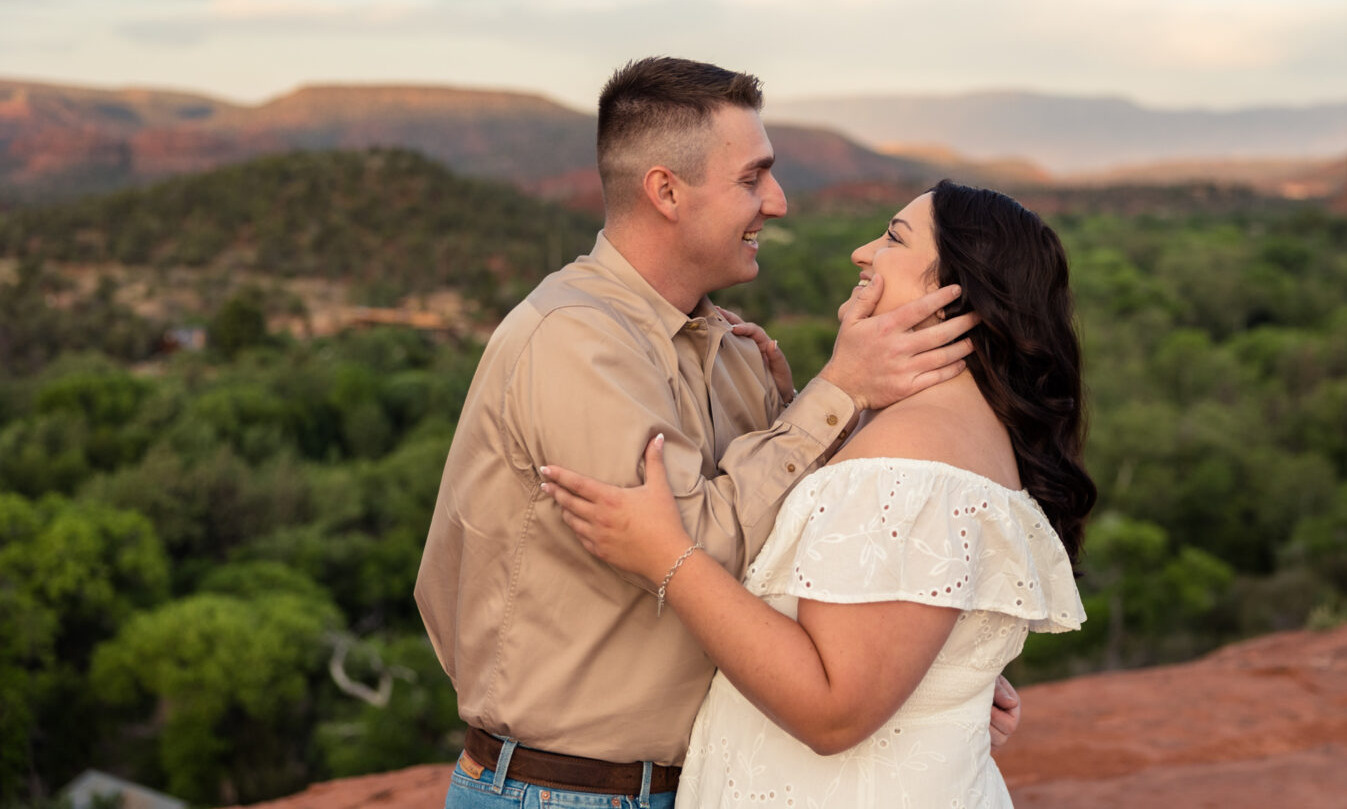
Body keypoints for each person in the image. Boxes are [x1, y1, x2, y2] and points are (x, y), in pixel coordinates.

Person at [414, 58, 1015, 809]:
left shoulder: (733, 352)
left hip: (704, 782)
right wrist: (838, 392)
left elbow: (782, 558)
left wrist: (913, 654)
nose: (780, 202)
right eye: (752, 178)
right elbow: (684, 550)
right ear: (666, 190)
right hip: (565, 793)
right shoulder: (575, 342)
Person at [541, 180, 1098, 807]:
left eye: (893, 237)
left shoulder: (907, 463)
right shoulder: (962, 433)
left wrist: (668, 557)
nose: (863, 252)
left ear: (955, 292)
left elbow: (832, 711)